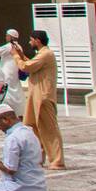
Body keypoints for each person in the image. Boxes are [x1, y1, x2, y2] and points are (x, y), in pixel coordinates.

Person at [0, 104, 53, 191]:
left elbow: (10, 170)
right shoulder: (30, 132)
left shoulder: (13, 138)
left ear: (6, 120)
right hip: (39, 189)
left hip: (21, 190)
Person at [14, 30, 65, 170]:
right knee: (32, 129)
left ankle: (57, 161)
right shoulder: (41, 55)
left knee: (49, 129)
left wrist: (16, 57)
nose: (30, 42)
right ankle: (37, 158)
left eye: (31, 40)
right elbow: (31, 64)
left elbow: (27, 67)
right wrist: (20, 54)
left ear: (37, 40)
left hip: (43, 97)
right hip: (34, 96)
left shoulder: (46, 54)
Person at [0, 28, 26, 115]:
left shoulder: (9, 46)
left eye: (7, 36)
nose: (6, 37)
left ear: (11, 37)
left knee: (7, 92)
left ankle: (6, 111)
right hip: (13, 72)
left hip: (6, 73)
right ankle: (18, 112)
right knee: (15, 91)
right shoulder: (18, 46)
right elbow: (1, 50)